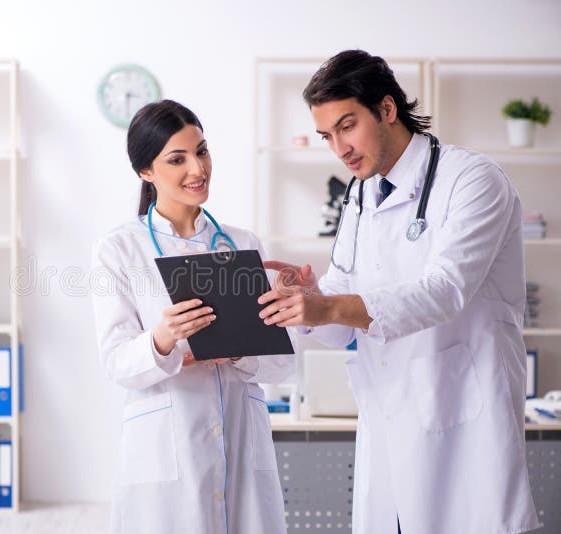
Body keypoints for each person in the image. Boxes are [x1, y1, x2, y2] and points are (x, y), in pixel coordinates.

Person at [258, 50, 540, 534]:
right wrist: (310, 299)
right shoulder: (360, 195)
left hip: (464, 428)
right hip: (386, 429)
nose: (339, 149)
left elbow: (444, 291)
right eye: (327, 136)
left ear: (387, 108)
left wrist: (329, 305)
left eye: (347, 126)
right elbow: (341, 315)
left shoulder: (472, 180)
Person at [91, 99, 296, 534]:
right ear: (146, 171)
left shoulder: (242, 244)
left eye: (201, 151)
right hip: (168, 444)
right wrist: (164, 337)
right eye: (177, 159)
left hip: (241, 434)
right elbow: (116, 363)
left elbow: (282, 363)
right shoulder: (119, 249)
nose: (198, 169)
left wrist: (240, 351)